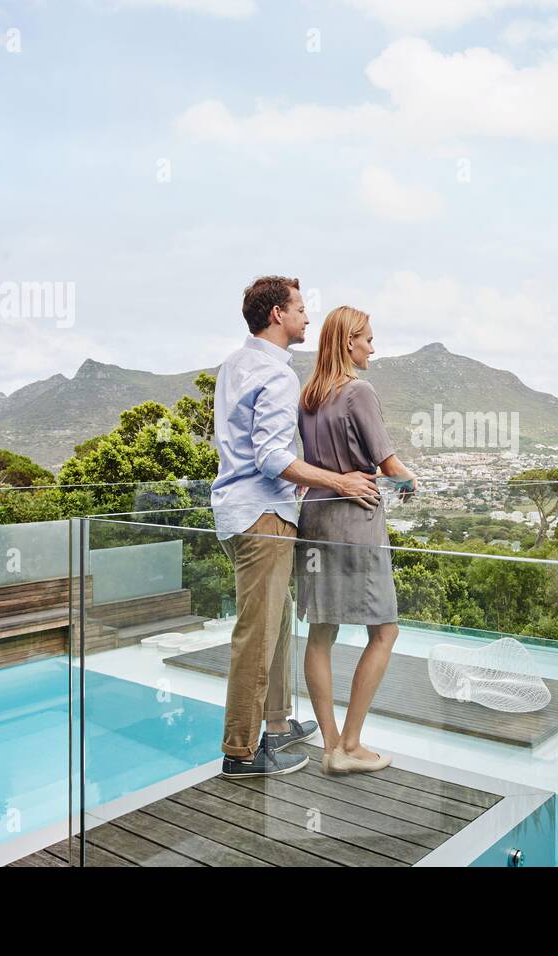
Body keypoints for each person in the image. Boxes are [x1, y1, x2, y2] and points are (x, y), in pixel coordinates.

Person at [211, 276, 380, 778]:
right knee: (258, 633)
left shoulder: (233, 365)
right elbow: (269, 456)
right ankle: (241, 752)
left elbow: (245, 448)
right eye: (300, 309)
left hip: (236, 512)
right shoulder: (278, 377)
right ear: (276, 315)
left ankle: (277, 724)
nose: (307, 317)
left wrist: (300, 480)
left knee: (276, 621)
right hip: (263, 515)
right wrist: (339, 482)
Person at [295, 305, 417, 774]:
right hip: (356, 520)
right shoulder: (358, 392)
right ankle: (351, 743)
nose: (372, 346)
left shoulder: (309, 396)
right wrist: (411, 483)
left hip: (316, 521)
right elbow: (389, 466)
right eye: (367, 338)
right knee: (385, 630)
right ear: (348, 342)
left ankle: (330, 747)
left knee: (321, 631)